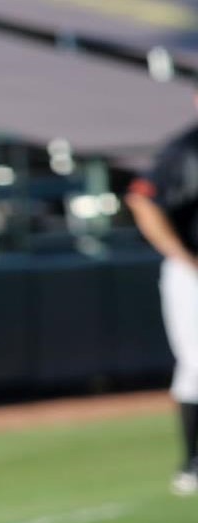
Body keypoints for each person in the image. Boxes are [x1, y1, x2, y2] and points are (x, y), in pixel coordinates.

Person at [125, 96, 198, 495]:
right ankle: (192, 462)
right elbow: (142, 199)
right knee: (197, 363)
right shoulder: (186, 149)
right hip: (192, 270)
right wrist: (183, 257)